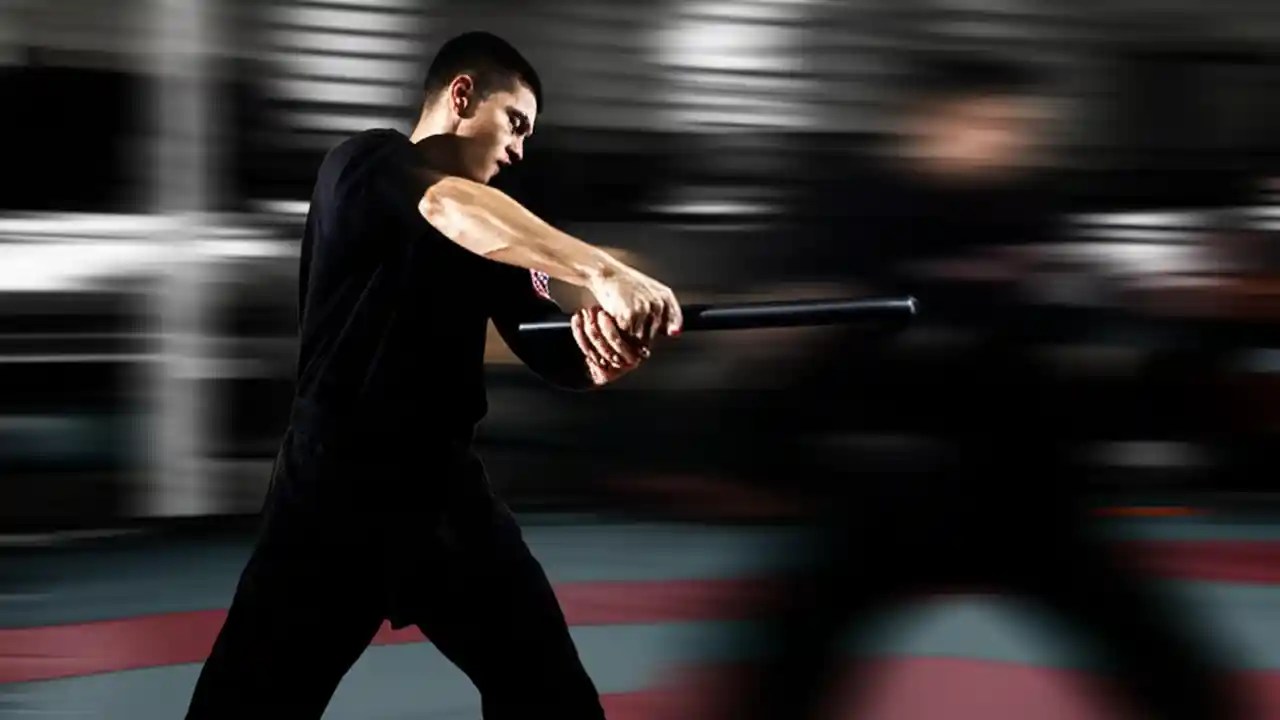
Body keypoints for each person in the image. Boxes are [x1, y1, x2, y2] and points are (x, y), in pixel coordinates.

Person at [707, 51, 1245, 720]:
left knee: (1159, 657)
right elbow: (773, 324)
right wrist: (799, 327)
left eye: (1021, 128)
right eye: (992, 124)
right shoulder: (854, 209)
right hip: (889, 482)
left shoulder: (1032, 210)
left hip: (1024, 483)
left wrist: (1129, 328)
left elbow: (1078, 324)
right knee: (787, 662)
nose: (1011, 142)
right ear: (930, 122)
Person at [185, 31, 681, 719]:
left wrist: (602, 355)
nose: (520, 149)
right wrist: (605, 271)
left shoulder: (497, 231)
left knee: (552, 697)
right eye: (516, 122)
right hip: (334, 494)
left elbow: (546, 345)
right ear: (463, 95)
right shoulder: (366, 164)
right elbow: (445, 207)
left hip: (444, 496)